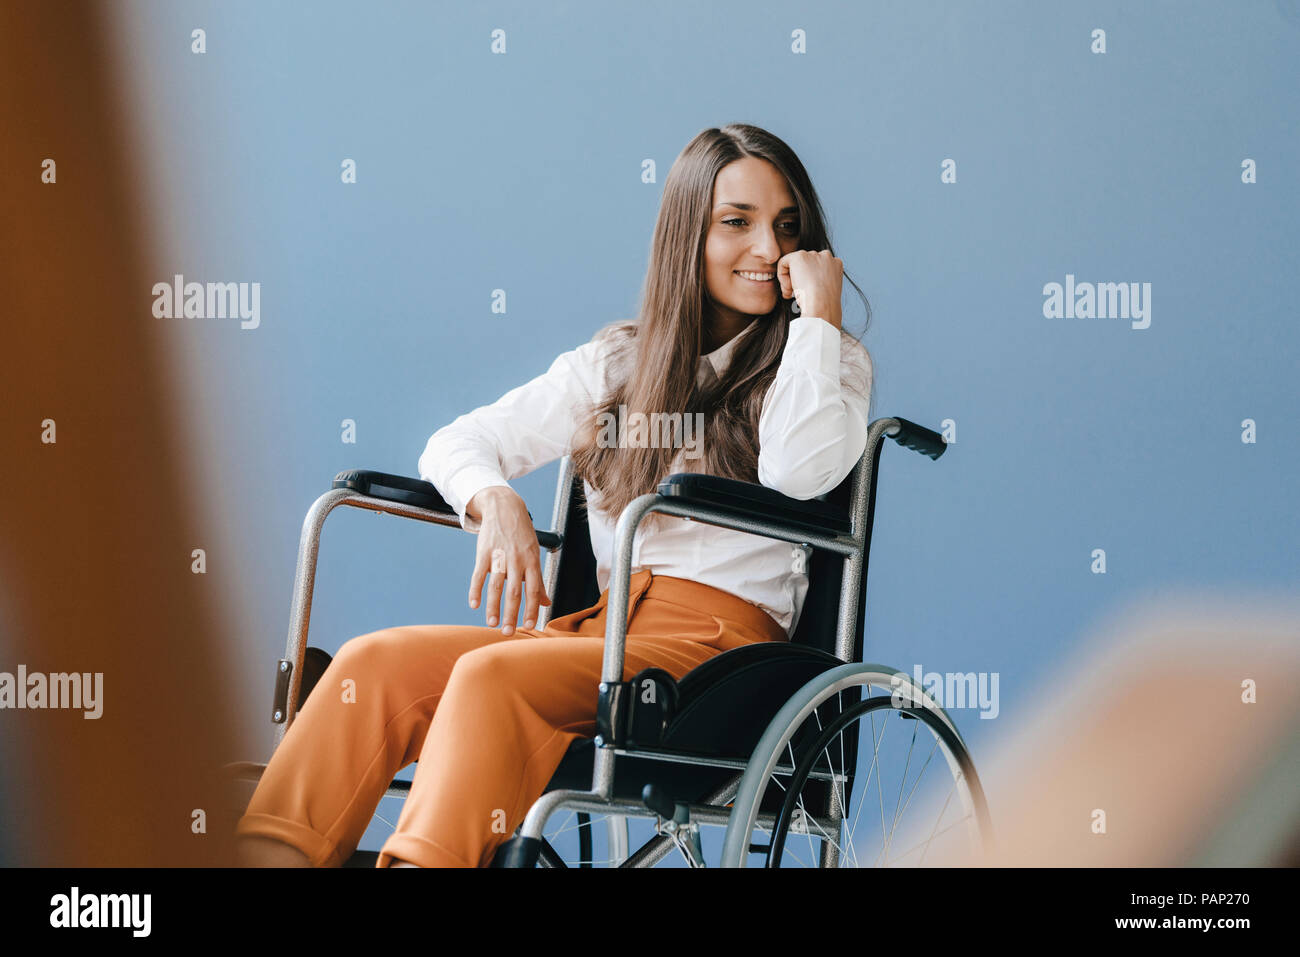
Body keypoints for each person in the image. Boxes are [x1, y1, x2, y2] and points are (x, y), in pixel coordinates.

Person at [234, 123, 874, 867]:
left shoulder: (827, 362)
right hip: (598, 637)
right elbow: (458, 442)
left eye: (787, 227)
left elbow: (800, 472)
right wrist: (495, 501)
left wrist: (817, 319)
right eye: (738, 223)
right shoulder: (618, 363)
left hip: (721, 658)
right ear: (686, 237)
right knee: (372, 664)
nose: (768, 249)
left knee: (489, 674)